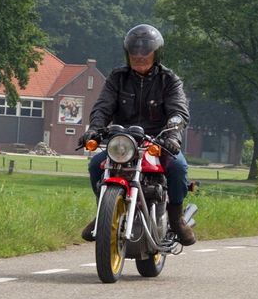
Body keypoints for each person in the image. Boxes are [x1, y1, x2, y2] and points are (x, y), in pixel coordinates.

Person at [80, 24, 195, 245]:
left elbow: (178, 111)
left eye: (145, 55)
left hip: (158, 141)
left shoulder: (169, 81)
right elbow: (103, 107)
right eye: (135, 56)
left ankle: (176, 218)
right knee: (96, 165)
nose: (139, 59)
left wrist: (172, 135)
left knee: (178, 167)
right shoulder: (117, 78)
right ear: (127, 54)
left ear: (156, 54)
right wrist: (95, 128)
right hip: (124, 141)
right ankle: (103, 215)